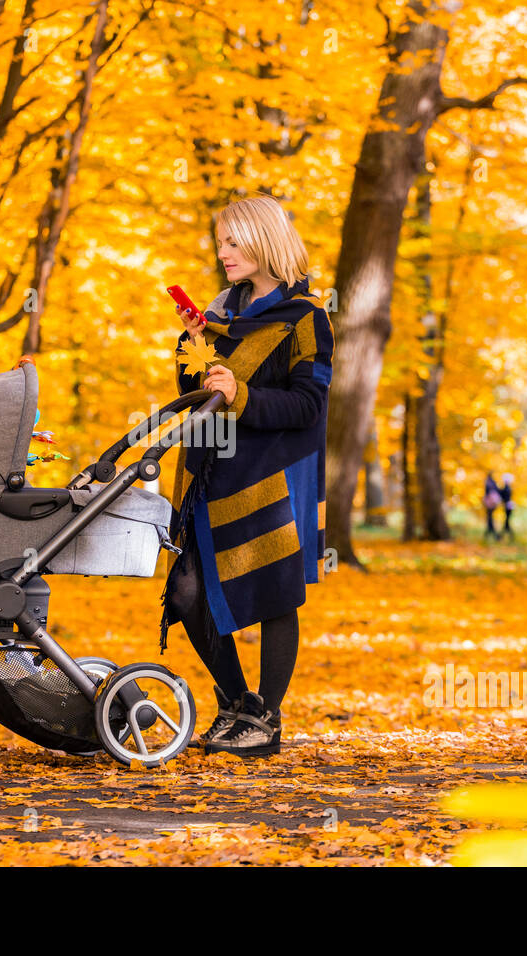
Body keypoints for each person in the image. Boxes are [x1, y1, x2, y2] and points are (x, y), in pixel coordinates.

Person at [158, 194, 334, 758]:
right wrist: (193, 343)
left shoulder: (306, 317)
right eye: (220, 241)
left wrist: (244, 395)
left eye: (234, 241)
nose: (223, 251)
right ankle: (239, 706)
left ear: (264, 241)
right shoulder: (218, 314)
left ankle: (268, 723)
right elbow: (193, 396)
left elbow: (308, 404)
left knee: (275, 595)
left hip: (271, 477)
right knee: (186, 593)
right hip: (208, 471)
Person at [483, 473, 502, 541]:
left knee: (489, 518)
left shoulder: (488, 483)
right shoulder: (494, 483)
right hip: (494, 503)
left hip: (490, 503)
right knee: (490, 518)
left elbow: (487, 493)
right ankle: (492, 534)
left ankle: (493, 534)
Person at [499, 473, 516, 541]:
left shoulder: (506, 488)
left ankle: (500, 536)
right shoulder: (508, 488)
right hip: (509, 506)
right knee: (506, 522)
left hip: (508, 506)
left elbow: (504, 496)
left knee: (506, 522)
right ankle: (509, 536)